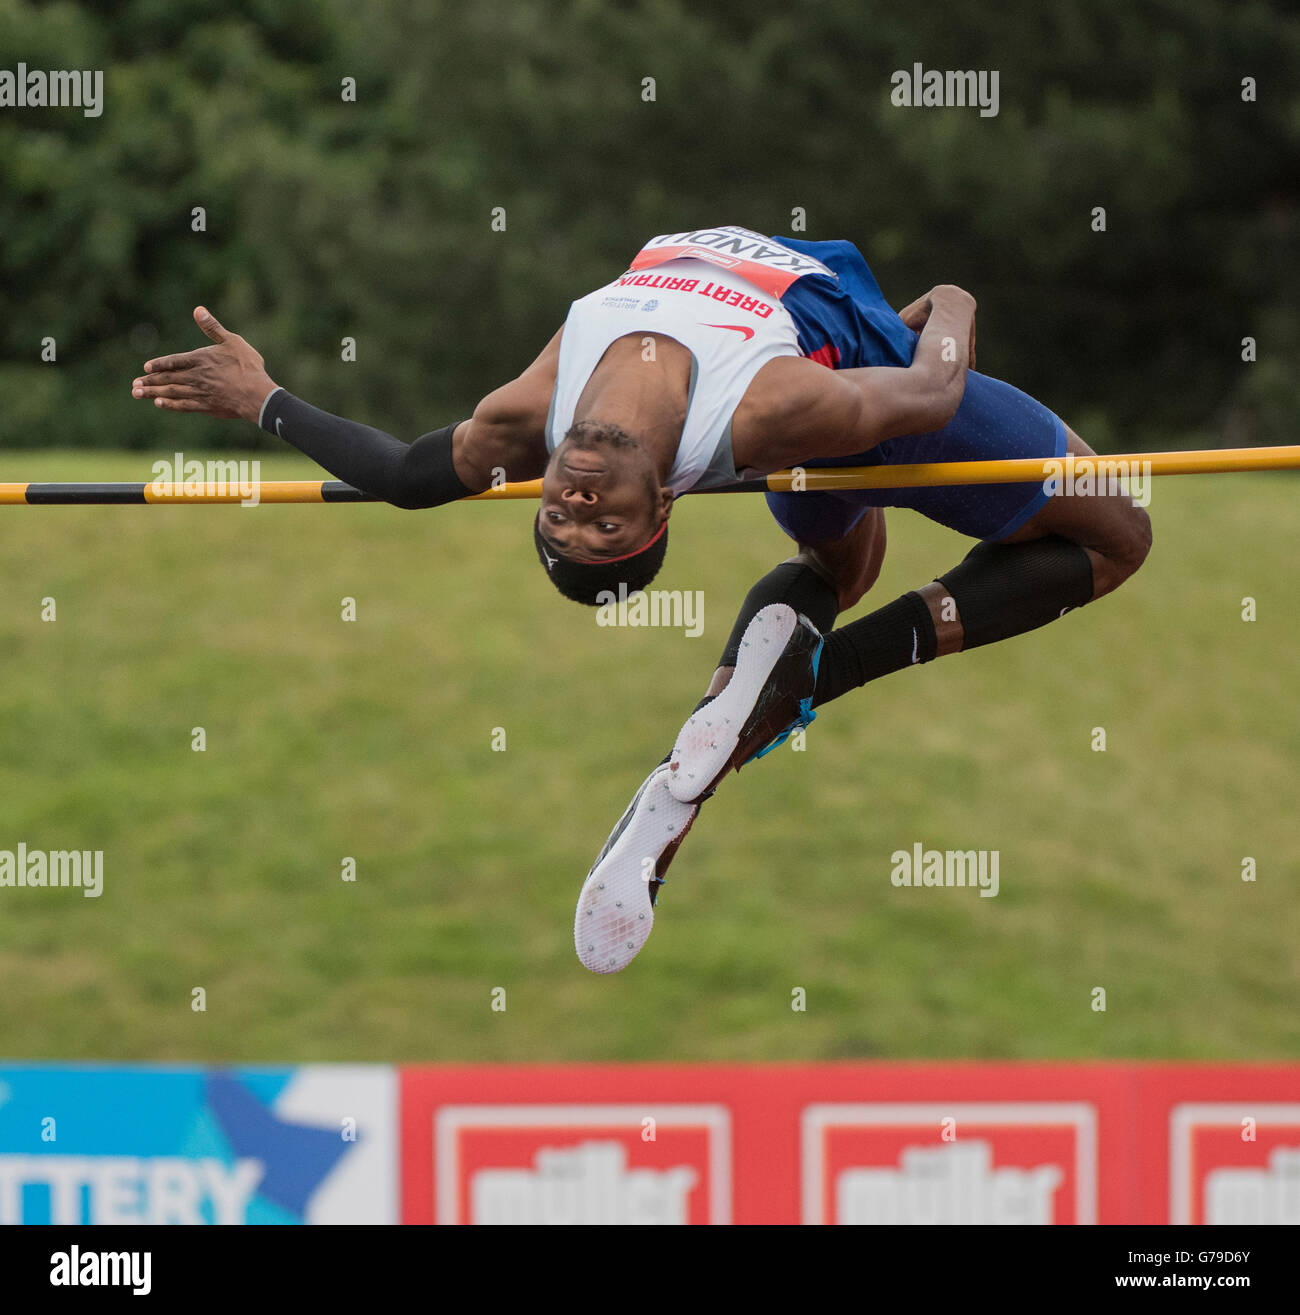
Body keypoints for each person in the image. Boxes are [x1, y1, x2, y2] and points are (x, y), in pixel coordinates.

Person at [129, 224, 1151, 974]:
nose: (572, 507)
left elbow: (403, 473)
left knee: (842, 571)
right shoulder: (767, 408)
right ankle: (815, 679)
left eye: (562, 524)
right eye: (599, 526)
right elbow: (928, 395)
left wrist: (262, 397)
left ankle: (763, 688)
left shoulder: (527, 412)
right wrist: (956, 303)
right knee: (1118, 536)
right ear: (663, 502)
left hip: (829, 371)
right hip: (866, 399)